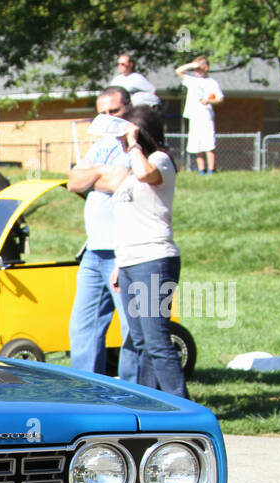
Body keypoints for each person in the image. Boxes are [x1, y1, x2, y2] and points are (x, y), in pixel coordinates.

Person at [92, 106, 187, 399]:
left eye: (126, 134)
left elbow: (147, 173)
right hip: (131, 262)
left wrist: (133, 142)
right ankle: (150, 404)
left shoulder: (160, 161)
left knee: (157, 340)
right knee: (142, 341)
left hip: (154, 260)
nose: (121, 142)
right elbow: (129, 220)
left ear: (141, 132)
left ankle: (183, 408)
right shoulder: (131, 172)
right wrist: (120, 264)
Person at [67, 87, 132, 378]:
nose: (107, 119)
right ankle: (86, 394)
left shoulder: (136, 145)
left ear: (129, 109)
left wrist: (93, 174)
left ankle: (138, 393)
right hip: (93, 252)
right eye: (102, 112)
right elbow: (73, 181)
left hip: (124, 251)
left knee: (134, 329)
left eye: (114, 112)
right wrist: (100, 173)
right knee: (83, 329)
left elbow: (119, 181)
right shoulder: (101, 145)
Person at [176, 56, 224, 174]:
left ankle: (211, 169)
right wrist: (192, 65)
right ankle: (201, 169)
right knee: (196, 144)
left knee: (208, 143)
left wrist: (208, 101)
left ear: (206, 68)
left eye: (200, 68)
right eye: (195, 69)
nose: (197, 71)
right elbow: (178, 71)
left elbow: (220, 99)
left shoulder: (212, 83)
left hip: (206, 115)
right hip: (194, 116)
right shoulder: (192, 80)